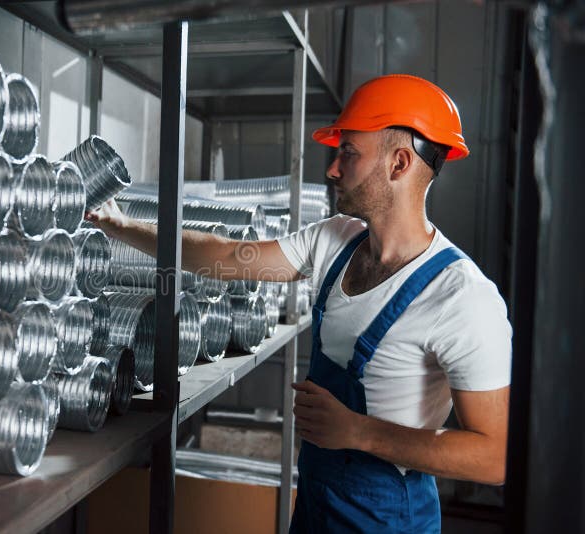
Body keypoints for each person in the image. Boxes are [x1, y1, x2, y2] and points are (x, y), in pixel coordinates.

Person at [86, 74, 512, 533]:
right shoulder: (335, 240)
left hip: (388, 521)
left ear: (399, 163)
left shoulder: (462, 297)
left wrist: (358, 432)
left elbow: (495, 456)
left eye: (348, 152)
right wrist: (121, 225)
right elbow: (228, 257)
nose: (332, 168)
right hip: (315, 505)